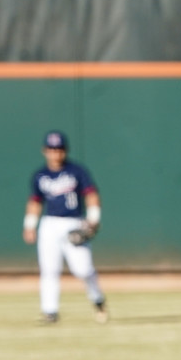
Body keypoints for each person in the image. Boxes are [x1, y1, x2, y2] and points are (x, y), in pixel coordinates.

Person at [22, 131, 109, 324]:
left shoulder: (77, 171)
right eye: (52, 149)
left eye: (59, 149)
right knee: (49, 269)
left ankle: (98, 299)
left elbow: (91, 194)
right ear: (45, 151)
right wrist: (29, 225)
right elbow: (35, 201)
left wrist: (93, 219)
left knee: (83, 270)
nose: (55, 153)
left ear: (65, 150)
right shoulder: (40, 175)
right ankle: (50, 311)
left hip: (73, 222)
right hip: (50, 224)